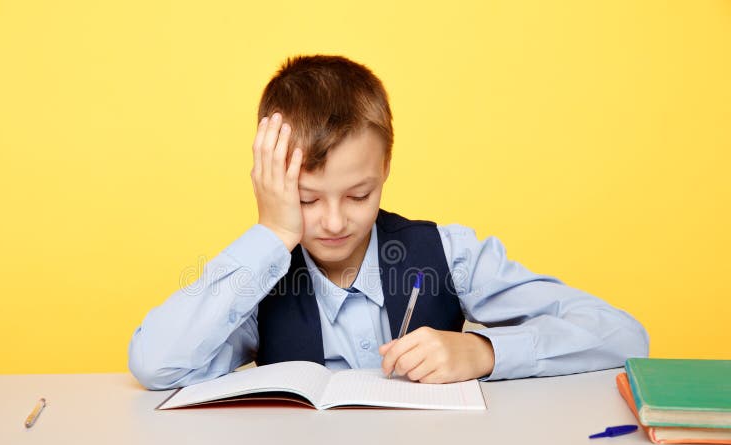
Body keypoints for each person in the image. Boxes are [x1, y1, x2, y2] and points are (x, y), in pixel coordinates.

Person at [128, 54, 649, 391]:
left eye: (359, 194)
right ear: (275, 186)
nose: (333, 221)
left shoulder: (453, 254)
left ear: (385, 170)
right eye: (306, 200)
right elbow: (155, 363)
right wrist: (272, 234)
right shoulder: (257, 283)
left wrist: (485, 351)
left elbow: (624, 336)